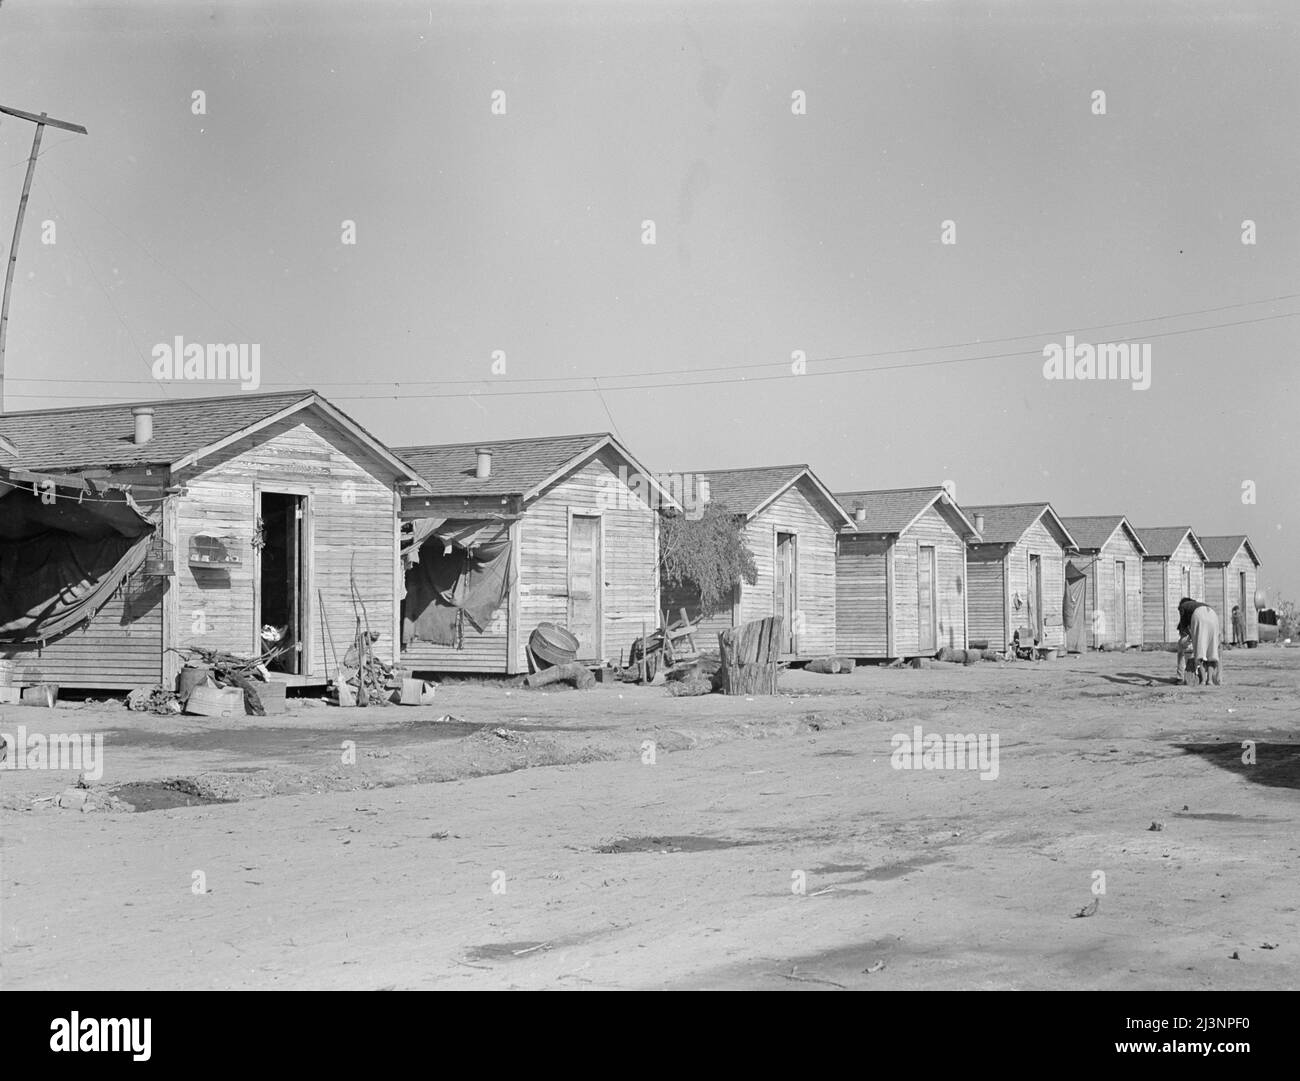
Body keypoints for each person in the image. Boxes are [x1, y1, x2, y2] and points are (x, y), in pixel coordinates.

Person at [1175, 597, 1220, 685]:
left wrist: (1190, 638)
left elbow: (1182, 629)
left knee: (1200, 652)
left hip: (1199, 617)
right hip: (1213, 615)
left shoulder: (1183, 606)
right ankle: (1210, 680)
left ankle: (1202, 680)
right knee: (1211, 652)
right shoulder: (1199, 605)